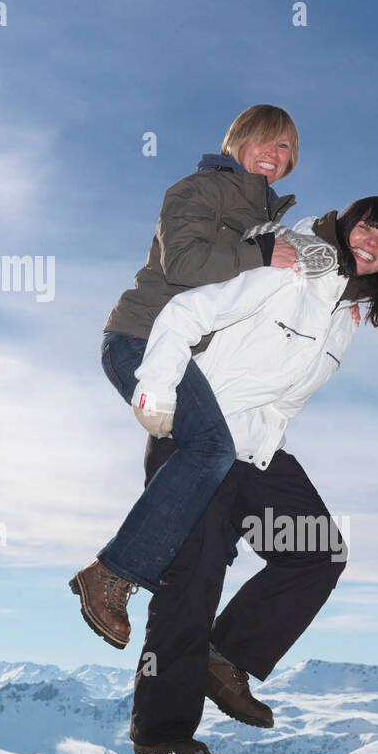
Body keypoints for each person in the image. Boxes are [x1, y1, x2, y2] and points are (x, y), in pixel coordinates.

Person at [123, 197, 378, 754]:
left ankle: (223, 657)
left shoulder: (344, 312)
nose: (372, 242)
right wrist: (155, 391)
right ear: (345, 225)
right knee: (193, 581)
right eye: (367, 228)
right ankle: (162, 738)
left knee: (318, 552)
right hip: (199, 435)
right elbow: (186, 314)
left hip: (255, 451)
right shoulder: (293, 263)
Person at [71, 104, 304, 650]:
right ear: (236, 142)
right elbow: (182, 262)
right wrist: (262, 251)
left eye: (286, 148)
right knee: (211, 448)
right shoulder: (200, 190)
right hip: (141, 339)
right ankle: (111, 573)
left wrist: (349, 299)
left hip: (186, 361)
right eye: (266, 142)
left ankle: (203, 652)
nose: (275, 155)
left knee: (212, 495)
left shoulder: (267, 219)